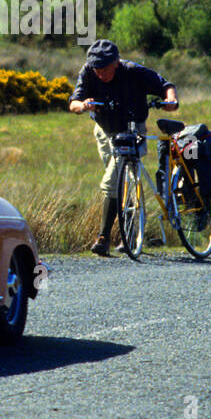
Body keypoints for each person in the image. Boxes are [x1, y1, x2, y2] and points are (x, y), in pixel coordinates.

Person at [69, 39, 178, 256]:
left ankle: (103, 237)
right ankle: (128, 234)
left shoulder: (133, 71)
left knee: (112, 182)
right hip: (105, 132)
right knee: (122, 183)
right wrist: (82, 106)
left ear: (116, 62)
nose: (101, 75)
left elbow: (166, 86)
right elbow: (74, 101)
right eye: (97, 70)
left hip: (131, 130)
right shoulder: (88, 71)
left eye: (105, 70)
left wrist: (170, 101)